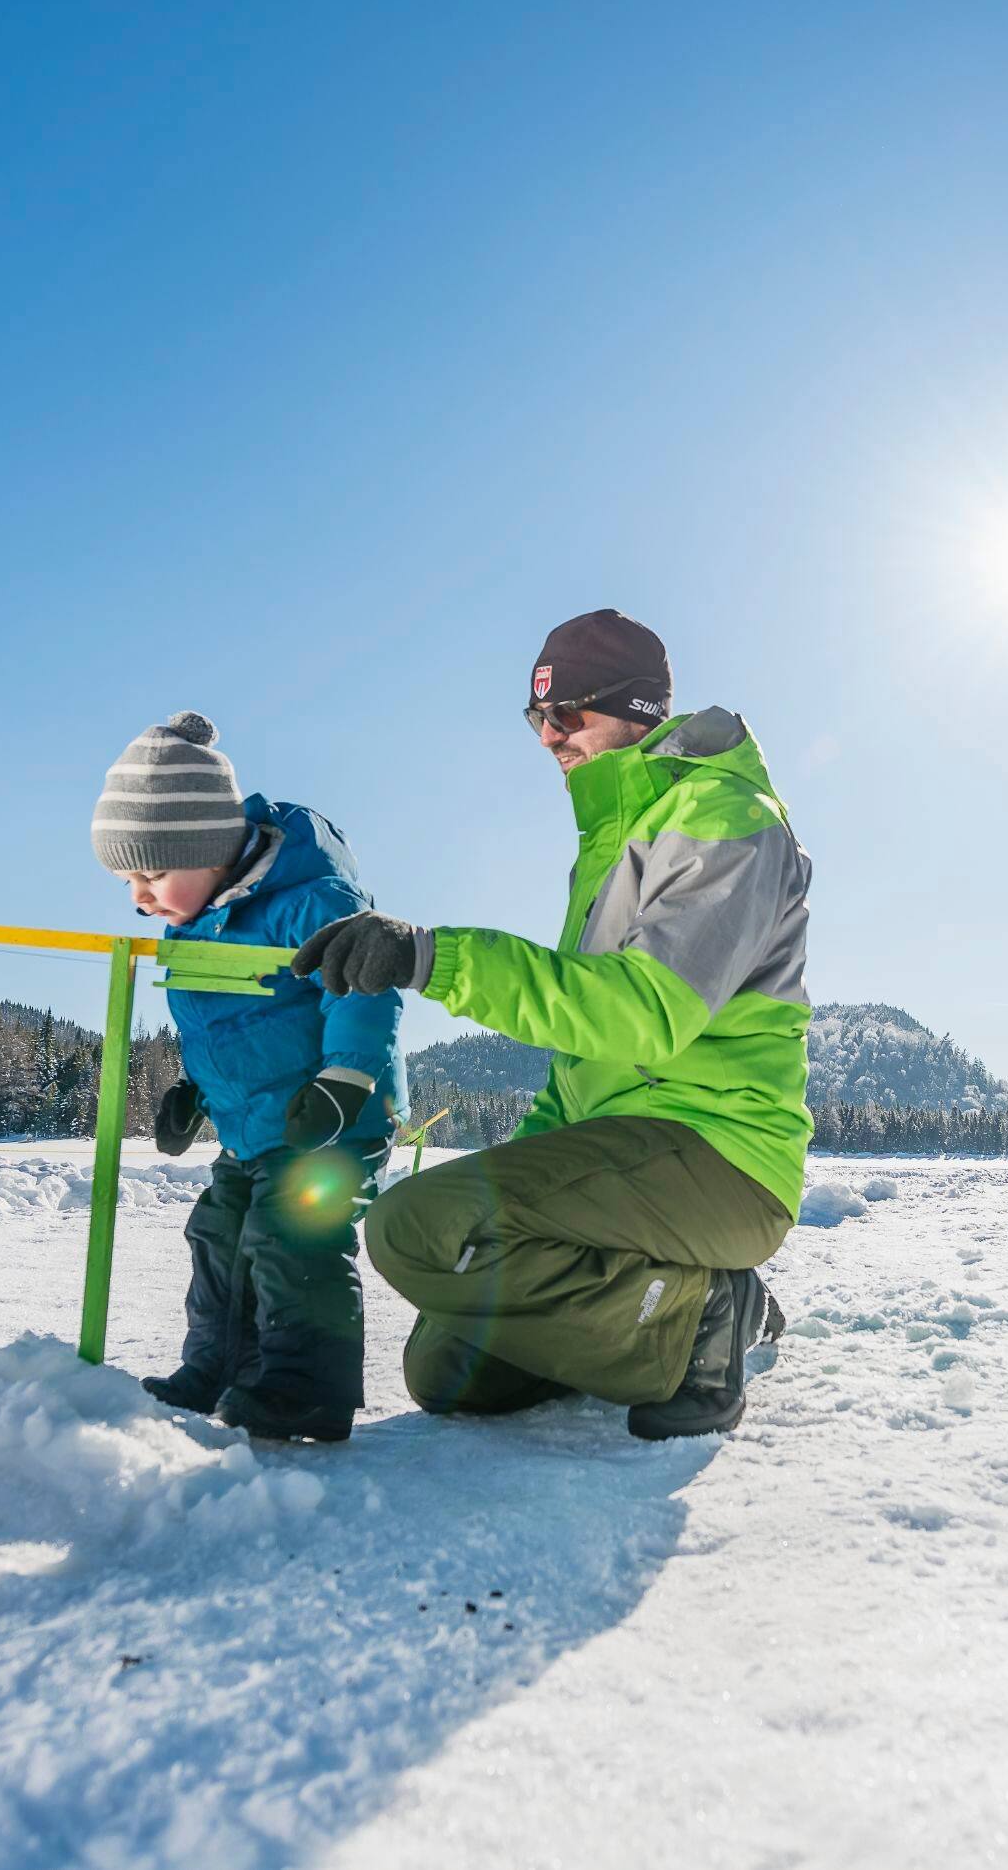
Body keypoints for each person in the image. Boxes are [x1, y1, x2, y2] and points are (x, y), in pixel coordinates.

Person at [291, 610, 812, 1440]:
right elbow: (582, 1063)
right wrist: (517, 1160)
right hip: (622, 1156)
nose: (548, 738)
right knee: (445, 1370)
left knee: (415, 1230)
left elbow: (645, 1013)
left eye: (566, 714)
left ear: (636, 707)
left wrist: (436, 959)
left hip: (720, 1155)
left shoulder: (722, 814)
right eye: (537, 718)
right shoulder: (612, 840)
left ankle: (710, 1311)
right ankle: (657, 1300)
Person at [91, 710, 405, 1443]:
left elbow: (365, 993)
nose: (140, 896)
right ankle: (218, 1368)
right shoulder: (190, 922)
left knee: (291, 1234)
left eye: (151, 872)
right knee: (219, 1235)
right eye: (127, 879)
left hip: (333, 1115)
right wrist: (194, 1092)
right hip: (254, 1124)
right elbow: (227, 1027)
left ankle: (306, 1388)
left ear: (207, 847)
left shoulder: (312, 901)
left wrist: (345, 1083)